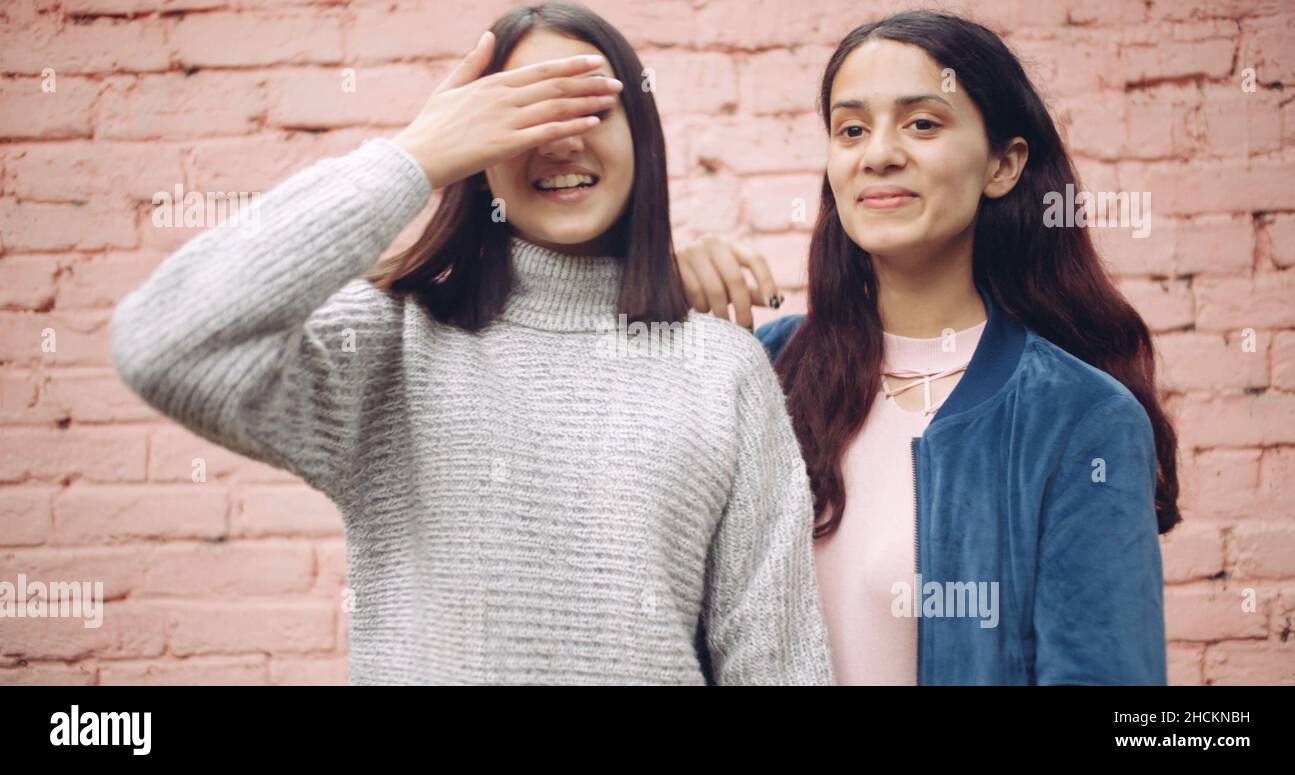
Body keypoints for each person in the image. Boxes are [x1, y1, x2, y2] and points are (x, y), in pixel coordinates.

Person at [110, 2, 833, 685]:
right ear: (478, 151)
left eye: (589, 106)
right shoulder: (392, 342)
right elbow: (162, 344)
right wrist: (410, 159)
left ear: (642, 138)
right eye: (523, 112)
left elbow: (774, 657)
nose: (562, 138)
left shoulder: (723, 368)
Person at [676, 10, 1177, 685]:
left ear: (1003, 164)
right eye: (851, 129)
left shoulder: (1081, 419)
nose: (878, 152)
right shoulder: (763, 370)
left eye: (922, 123)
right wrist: (649, 305)